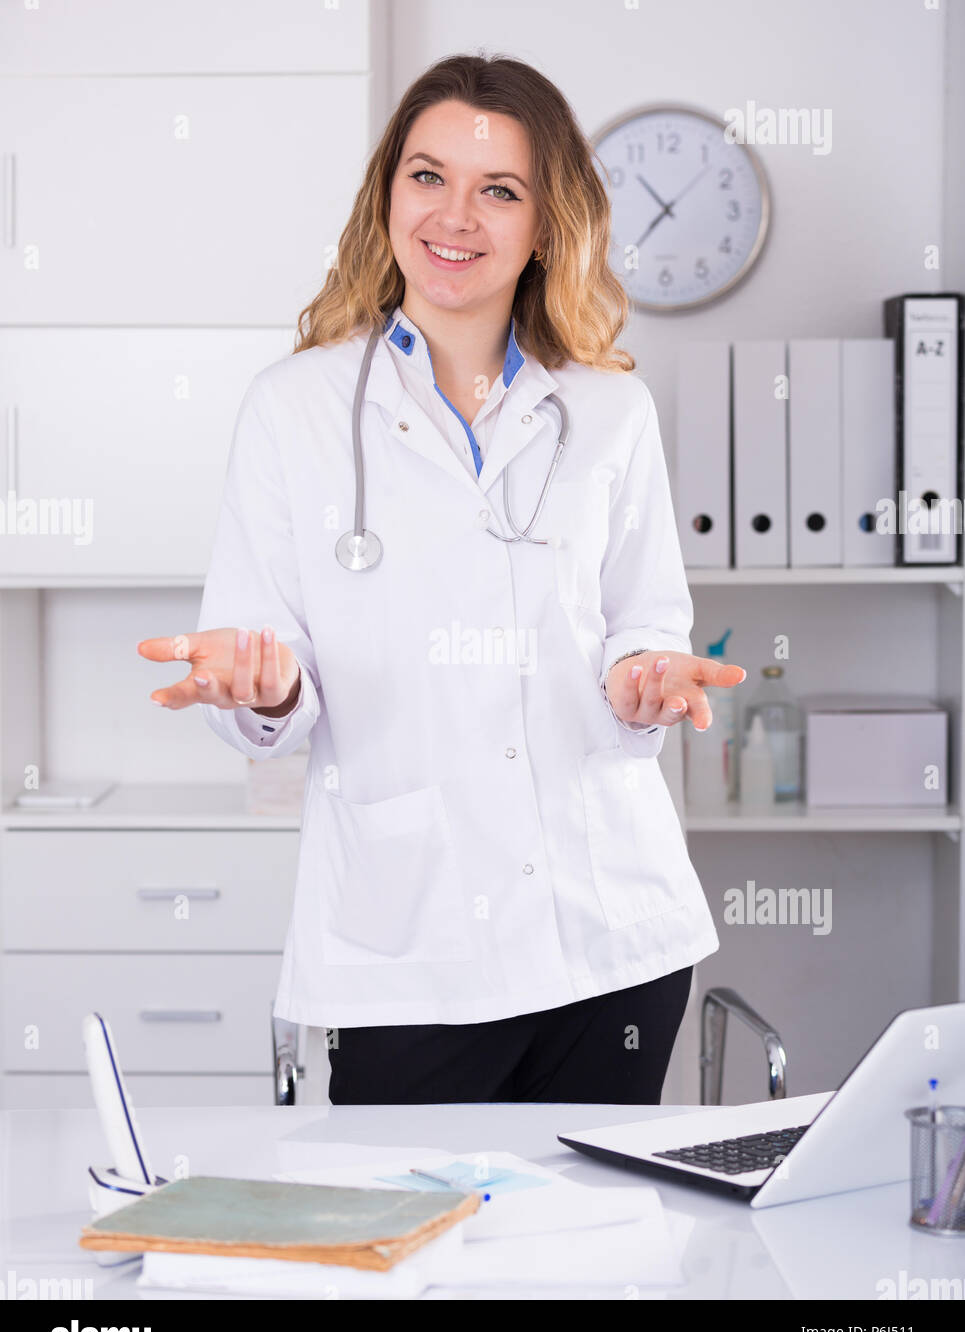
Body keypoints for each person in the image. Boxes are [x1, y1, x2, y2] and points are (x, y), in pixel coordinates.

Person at [137, 53, 745, 1105]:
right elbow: (259, 674)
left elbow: (642, 632)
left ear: (545, 223)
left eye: (497, 190)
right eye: (427, 178)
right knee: (409, 1253)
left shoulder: (606, 412)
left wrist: (644, 679)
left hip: (606, 935)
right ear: (386, 200)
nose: (453, 216)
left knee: (590, 1257)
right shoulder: (294, 410)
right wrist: (263, 686)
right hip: (406, 947)